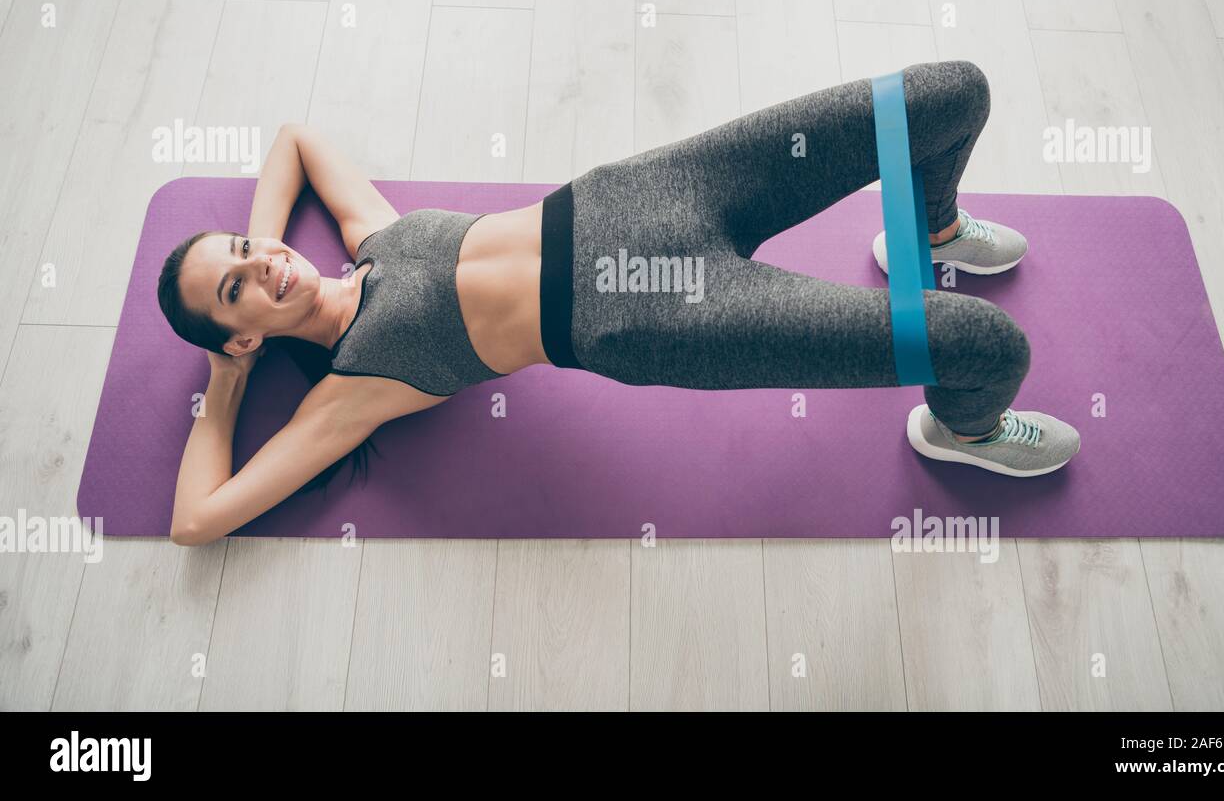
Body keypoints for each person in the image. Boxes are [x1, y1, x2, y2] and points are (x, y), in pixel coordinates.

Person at [158, 61, 1079, 546]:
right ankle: (960, 431)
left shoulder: (373, 239)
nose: (265, 263)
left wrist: (253, 263)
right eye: (237, 288)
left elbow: (293, 140)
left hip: (657, 189)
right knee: (987, 348)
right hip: (660, 313)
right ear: (240, 337)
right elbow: (195, 522)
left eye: (246, 252)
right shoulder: (349, 390)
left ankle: (933, 232)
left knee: (955, 93)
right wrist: (223, 385)